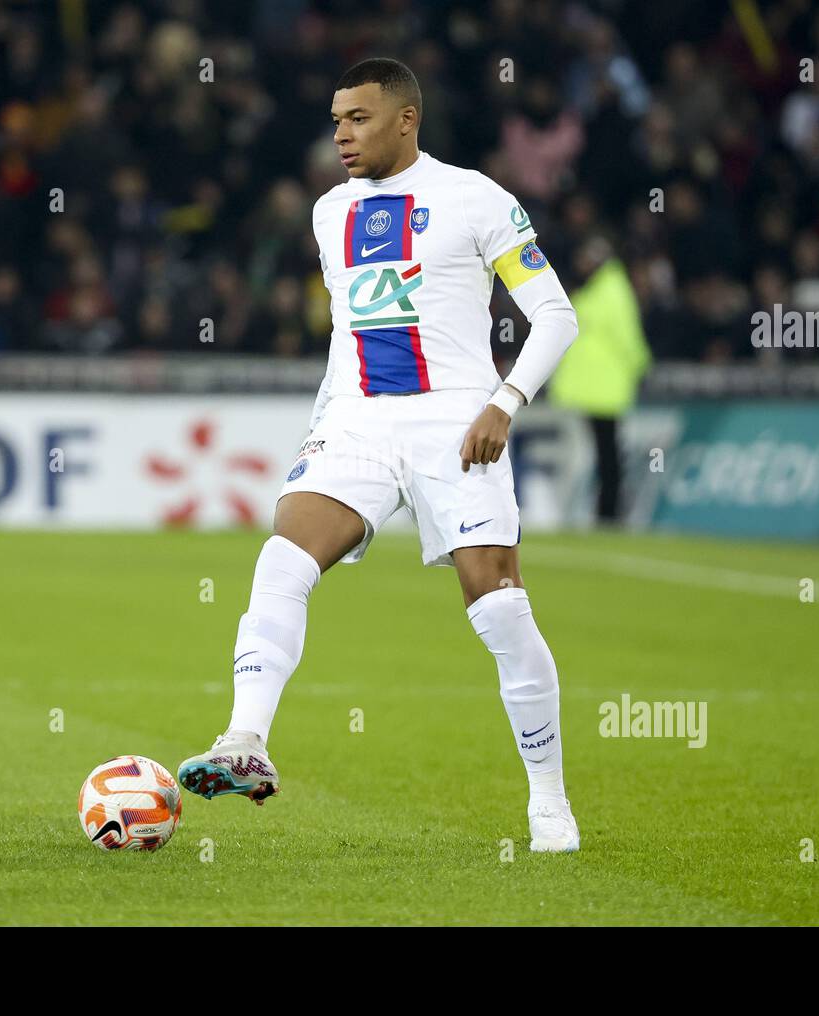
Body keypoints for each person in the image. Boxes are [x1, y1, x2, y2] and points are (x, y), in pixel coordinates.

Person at [177, 58, 582, 852]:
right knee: (281, 561)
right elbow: (348, 331)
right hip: (359, 421)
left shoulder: (475, 198)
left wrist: (506, 403)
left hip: (455, 421)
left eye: (358, 118)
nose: (341, 134)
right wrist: (325, 419)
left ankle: (549, 804)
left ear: (406, 119)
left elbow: (556, 316)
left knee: (497, 608)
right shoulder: (331, 213)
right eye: (335, 120)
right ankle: (245, 743)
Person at [548, 237, 652, 522]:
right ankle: (605, 509)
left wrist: (641, 366)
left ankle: (609, 511)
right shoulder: (601, 289)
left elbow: (627, 335)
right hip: (595, 388)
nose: (581, 263)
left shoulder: (611, 291)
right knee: (604, 450)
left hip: (604, 388)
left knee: (607, 452)